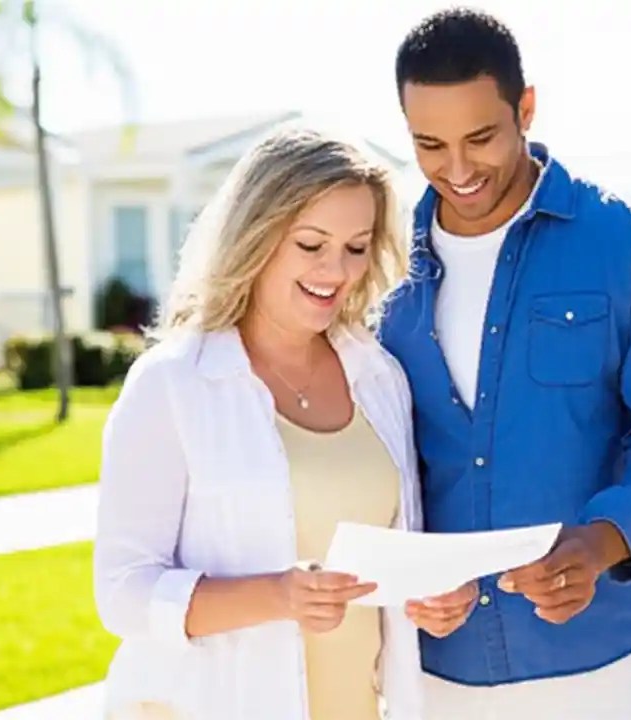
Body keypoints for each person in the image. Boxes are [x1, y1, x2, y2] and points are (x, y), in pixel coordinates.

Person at [377, 7, 631, 719]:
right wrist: (404, 575)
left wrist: (599, 543)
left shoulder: (629, 243)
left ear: (525, 108)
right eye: (429, 144)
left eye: (481, 137)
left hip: (597, 660)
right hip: (437, 667)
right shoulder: (381, 268)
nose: (457, 170)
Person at [93, 125, 465, 720]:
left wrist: (431, 598)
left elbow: (394, 559)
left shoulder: (380, 377)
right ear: (257, 235)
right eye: (311, 244)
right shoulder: (173, 383)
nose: (336, 270)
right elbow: (123, 592)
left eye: (356, 247)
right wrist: (277, 595)